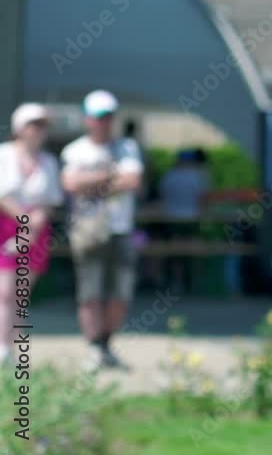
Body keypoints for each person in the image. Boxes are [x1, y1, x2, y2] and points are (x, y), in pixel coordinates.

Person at [61, 90, 145, 371]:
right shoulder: (75, 150)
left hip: (121, 229)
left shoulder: (128, 147)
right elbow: (70, 185)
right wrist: (110, 177)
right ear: (87, 119)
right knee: (90, 293)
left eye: (108, 116)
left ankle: (105, 345)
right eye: (98, 117)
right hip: (87, 231)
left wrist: (91, 183)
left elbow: (132, 181)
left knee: (121, 294)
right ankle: (95, 347)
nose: (104, 122)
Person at [0, 104, 63, 364]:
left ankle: (13, 348)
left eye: (42, 125)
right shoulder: (3, 154)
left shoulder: (49, 161)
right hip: (6, 227)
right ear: (20, 128)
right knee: (4, 290)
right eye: (34, 124)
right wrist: (25, 221)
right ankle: (2, 347)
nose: (39, 130)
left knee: (21, 293)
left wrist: (34, 225)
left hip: (37, 231)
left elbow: (50, 200)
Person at [156, 148, 212, 292]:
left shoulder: (169, 176)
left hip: (171, 219)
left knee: (176, 253)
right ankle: (197, 283)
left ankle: (178, 282)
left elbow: (162, 197)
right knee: (194, 250)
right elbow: (204, 200)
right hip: (193, 218)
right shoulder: (198, 176)